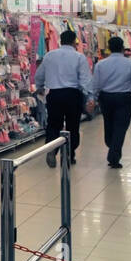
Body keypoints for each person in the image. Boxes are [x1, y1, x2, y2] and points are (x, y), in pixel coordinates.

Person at [38, 29, 94, 168]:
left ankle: (51, 150)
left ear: (60, 41)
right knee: (72, 126)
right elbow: (85, 80)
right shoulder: (79, 57)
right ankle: (69, 155)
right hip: (72, 95)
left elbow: (39, 75)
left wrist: (39, 86)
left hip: (54, 94)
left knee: (53, 125)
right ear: (74, 41)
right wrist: (89, 97)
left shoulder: (49, 55)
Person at [92, 36, 131, 168]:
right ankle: (114, 152)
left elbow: (96, 83)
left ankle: (112, 149)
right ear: (123, 48)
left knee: (108, 124)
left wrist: (93, 97)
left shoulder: (101, 64)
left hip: (106, 98)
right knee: (120, 128)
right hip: (124, 98)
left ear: (109, 49)